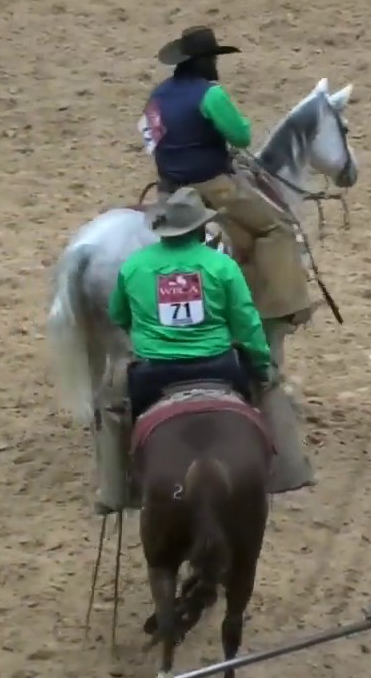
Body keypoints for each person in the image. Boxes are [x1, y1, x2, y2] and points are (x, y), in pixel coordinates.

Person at [100, 188, 274, 513]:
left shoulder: (134, 266)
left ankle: (114, 490)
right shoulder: (221, 265)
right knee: (273, 395)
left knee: (111, 412)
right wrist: (263, 364)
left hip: (152, 375)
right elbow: (247, 323)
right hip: (220, 367)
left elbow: (118, 316)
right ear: (199, 228)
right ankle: (282, 472)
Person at [139, 25, 315, 331]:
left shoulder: (158, 95)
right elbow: (241, 136)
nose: (215, 66)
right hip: (211, 185)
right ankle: (282, 309)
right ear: (202, 62)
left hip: (168, 188)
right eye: (212, 59)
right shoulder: (210, 94)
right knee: (278, 227)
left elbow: (150, 137)